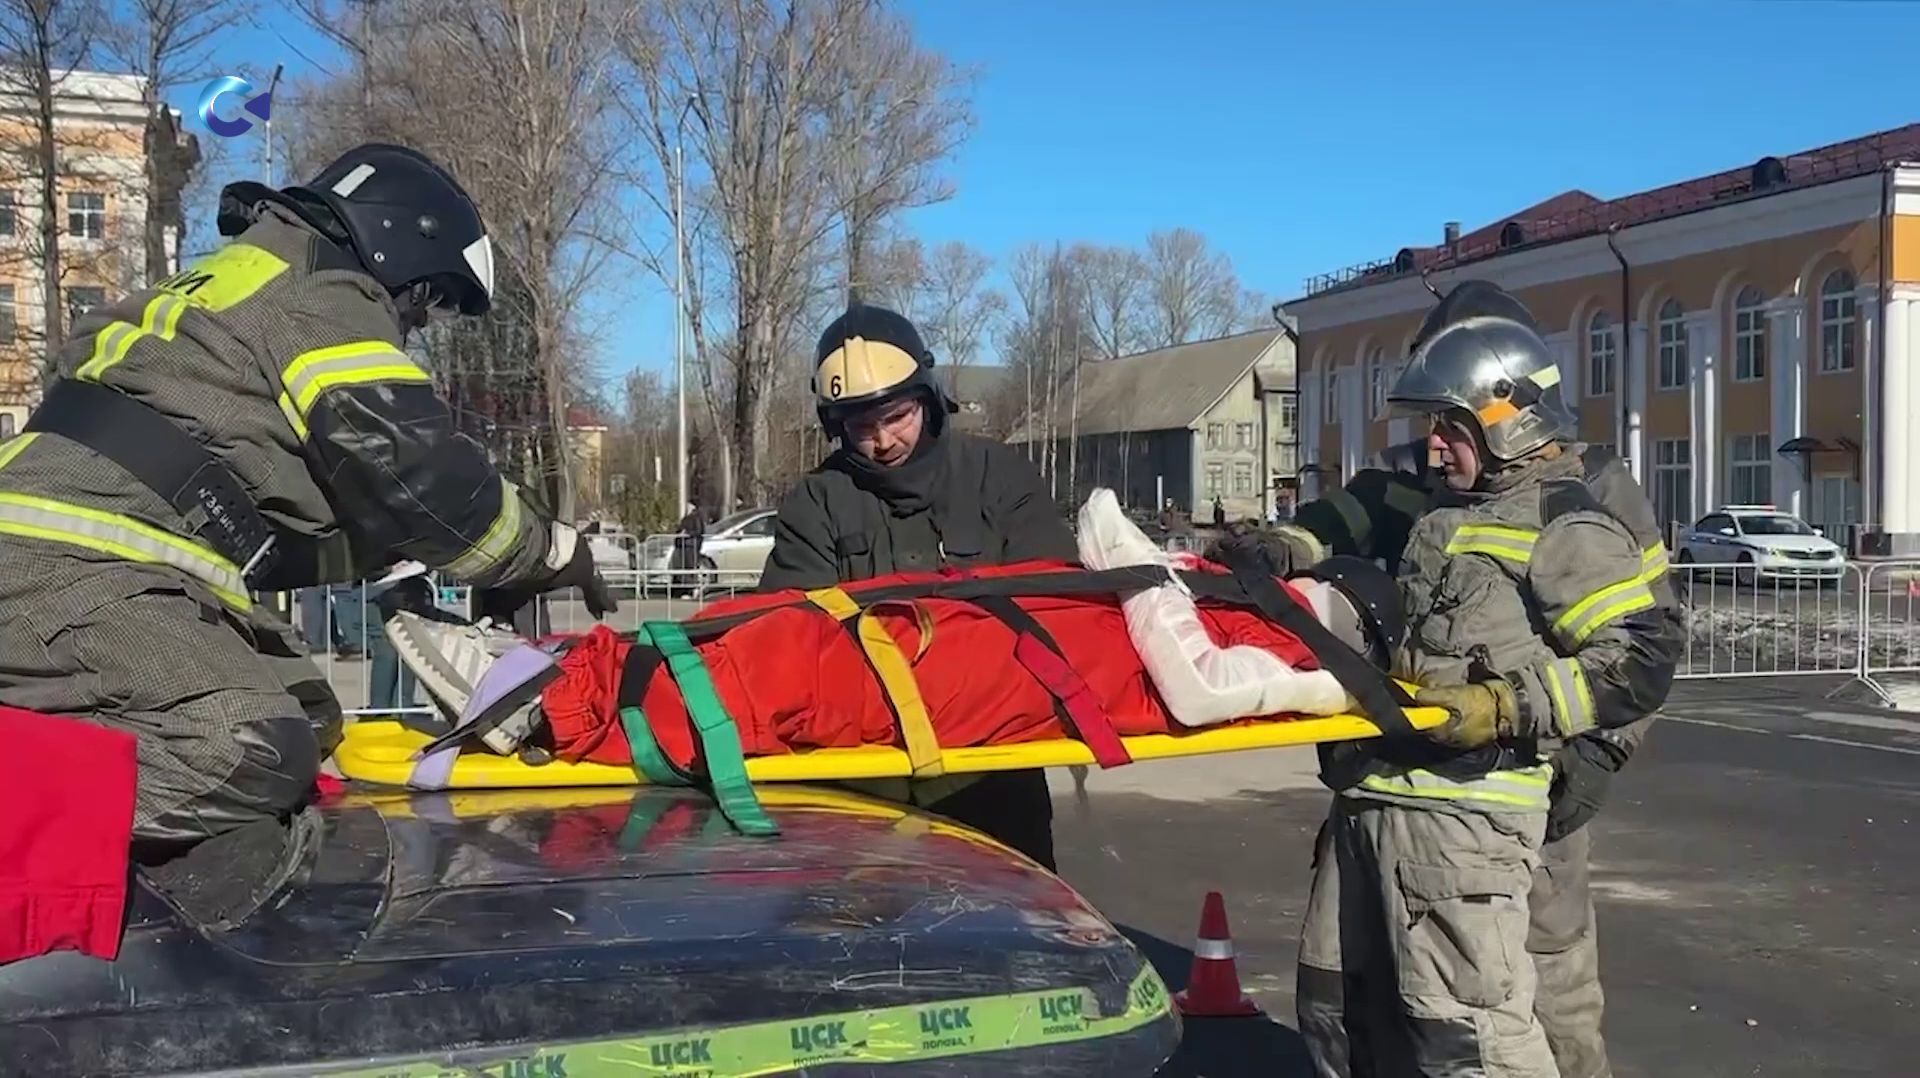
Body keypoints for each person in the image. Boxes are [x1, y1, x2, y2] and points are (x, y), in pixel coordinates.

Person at [0, 142, 616, 860]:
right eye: (427, 302)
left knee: (309, 713)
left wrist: (412, 577)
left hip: (88, 549)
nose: (414, 325)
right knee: (247, 750)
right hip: (69, 560)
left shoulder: (248, 275)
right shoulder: (327, 290)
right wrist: (549, 553)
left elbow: (311, 507)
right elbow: (418, 471)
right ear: (400, 242)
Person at [1214, 282, 1681, 1078]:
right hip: (1395, 796)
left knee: (1536, 998)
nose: (1432, 444)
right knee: (1373, 1005)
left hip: (1532, 793)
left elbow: (1641, 648)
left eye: (1448, 418)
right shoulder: (1433, 489)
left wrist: (1584, 764)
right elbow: (1346, 517)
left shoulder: (1584, 498)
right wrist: (1279, 547)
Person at [758, 302, 1077, 869]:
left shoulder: (998, 476)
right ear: (836, 427)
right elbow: (788, 638)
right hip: (860, 790)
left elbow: (1056, 608)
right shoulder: (815, 502)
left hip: (995, 781)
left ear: (928, 399)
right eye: (862, 427)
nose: (884, 441)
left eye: (898, 416)